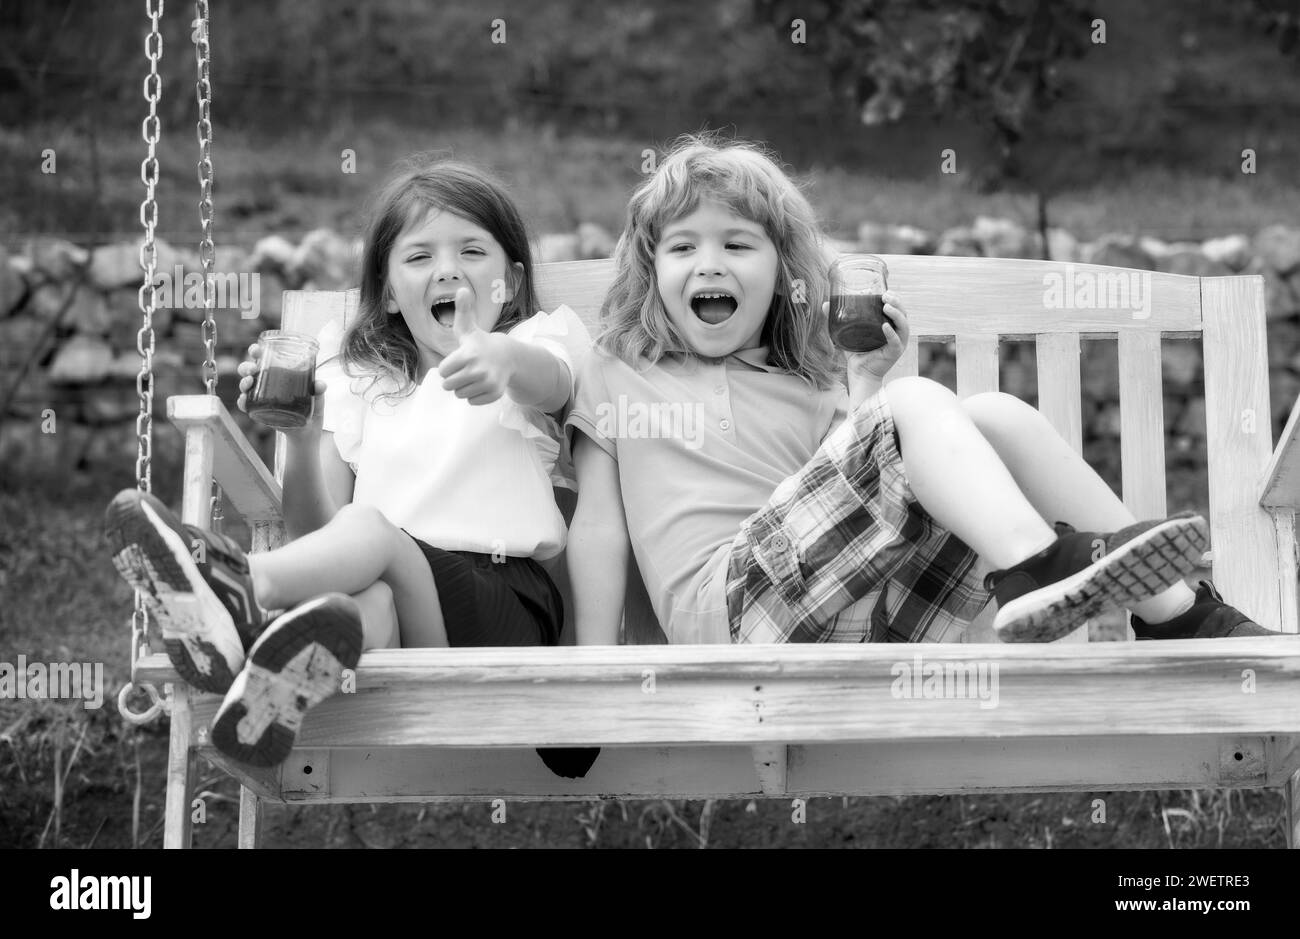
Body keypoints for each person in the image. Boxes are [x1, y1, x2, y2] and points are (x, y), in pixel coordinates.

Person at [565, 135, 1274, 648]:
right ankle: (1034, 564)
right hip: (736, 622)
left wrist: (865, 383)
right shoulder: (621, 369)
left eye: (738, 245)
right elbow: (598, 524)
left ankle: (1178, 613)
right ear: (651, 270)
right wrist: (591, 680)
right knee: (911, 407)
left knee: (993, 414)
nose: (708, 262)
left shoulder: (808, 385)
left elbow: (843, 507)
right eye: (683, 247)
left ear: (786, 276)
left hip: (871, 632)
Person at [106, 157, 594, 771]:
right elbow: (317, 539)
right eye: (419, 258)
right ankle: (264, 701)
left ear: (512, 284)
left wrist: (500, 359)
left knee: (370, 530)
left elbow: (551, 382)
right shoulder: (357, 379)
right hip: (414, 634)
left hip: (505, 611)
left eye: (473, 252)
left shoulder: (535, 344)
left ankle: (235, 589)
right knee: (354, 608)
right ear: (389, 292)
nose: (447, 270)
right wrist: (306, 440)